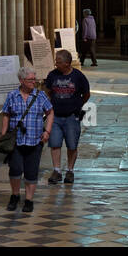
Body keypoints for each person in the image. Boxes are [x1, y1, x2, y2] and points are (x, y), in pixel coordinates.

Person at [0, 64, 54, 213]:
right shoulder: (12, 96)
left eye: (34, 79)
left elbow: (50, 112)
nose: (33, 82)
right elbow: (6, 114)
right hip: (16, 141)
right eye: (30, 79)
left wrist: (47, 132)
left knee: (31, 171)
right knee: (15, 170)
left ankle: (29, 200)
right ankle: (15, 195)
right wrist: (4, 133)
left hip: (34, 140)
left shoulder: (40, 96)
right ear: (21, 80)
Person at [45, 49, 91, 185]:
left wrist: (78, 104)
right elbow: (48, 91)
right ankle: (57, 170)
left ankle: (70, 170)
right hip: (55, 116)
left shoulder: (78, 76)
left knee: (72, 144)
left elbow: (86, 93)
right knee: (55, 144)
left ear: (66, 64)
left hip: (72, 116)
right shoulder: (52, 75)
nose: (55, 64)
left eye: (58, 62)